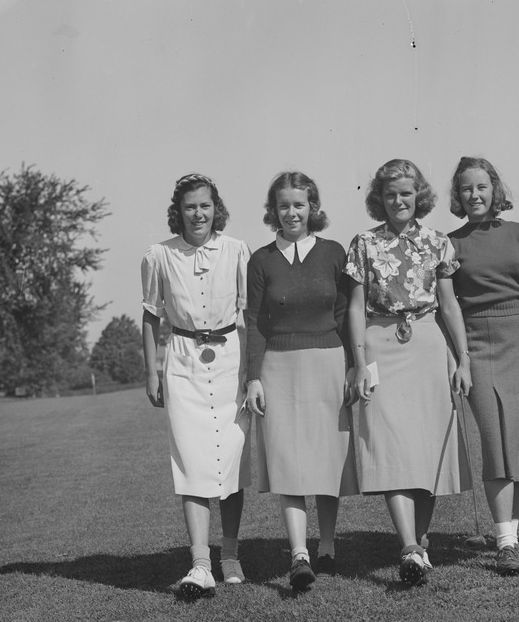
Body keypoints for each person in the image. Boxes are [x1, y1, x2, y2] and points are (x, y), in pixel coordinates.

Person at [345, 158, 472, 586]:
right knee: (391, 446)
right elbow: (355, 309)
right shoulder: (363, 243)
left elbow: (450, 305)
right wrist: (359, 363)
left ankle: (419, 544)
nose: (399, 201)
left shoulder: (438, 242)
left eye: (406, 193)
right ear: (378, 199)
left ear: (419, 195)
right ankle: (409, 547)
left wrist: (463, 358)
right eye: (390, 194)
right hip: (380, 347)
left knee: (427, 447)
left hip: (428, 345)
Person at [245, 171, 358, 592]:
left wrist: (353, 365)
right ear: (272, 211)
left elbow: (345, 314)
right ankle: (299, 554)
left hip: (329, 363)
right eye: (283, 206)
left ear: (313, 207)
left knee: (327, 459)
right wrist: (253, 378)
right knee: (288, 462)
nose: (291, 213)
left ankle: (326, 546)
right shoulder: (261, 260)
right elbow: (255, 322)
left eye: (299, 204)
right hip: (279, 369)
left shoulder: (333, 253)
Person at [141, 173, 251, 599]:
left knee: (232, 461)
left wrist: (253, 371)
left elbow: (249, 314)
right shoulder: (159, 255)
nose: (198, 214)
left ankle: (230, 555)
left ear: (215, 208)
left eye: (205, 206)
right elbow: (151, 316)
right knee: (190, 461)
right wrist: (152, 372)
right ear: (179, 211)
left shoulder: (237, 250)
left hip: (230, 362)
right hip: (183, 361)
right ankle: (201, 563)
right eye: (190, 207)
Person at [447, 156, 519, 576]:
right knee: (496, 439)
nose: (474, 195)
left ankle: (509, 534)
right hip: (477, 341)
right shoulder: (450, 243)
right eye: (466, 189)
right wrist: (461, 357)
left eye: (481, 187)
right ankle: (506, 542)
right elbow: (447, 304)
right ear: (457, 196)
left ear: (495, 189)